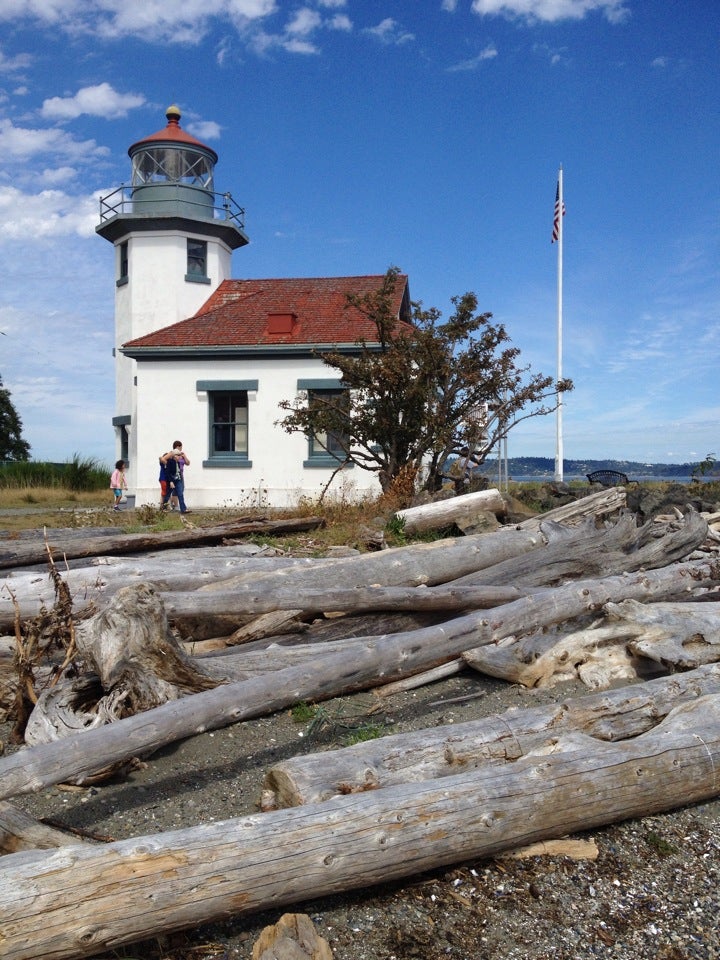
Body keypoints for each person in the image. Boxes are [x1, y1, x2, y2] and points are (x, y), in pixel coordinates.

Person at [160, 441, 191, 514]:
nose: (179, 457)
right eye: (177, 456)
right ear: (174, 456)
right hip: (171, 480)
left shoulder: (178, 462)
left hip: (178, 479)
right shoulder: (170, 462)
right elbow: (168, 472)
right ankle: (163, 507)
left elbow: (185, 465)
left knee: (180, 493)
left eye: (179, 456)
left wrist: (180, 477)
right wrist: (170, 482)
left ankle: (183, 509)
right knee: (168, 494)